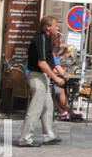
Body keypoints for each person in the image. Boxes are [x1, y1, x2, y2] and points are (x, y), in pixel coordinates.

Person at [18, 16, 64, 147]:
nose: (57, 28)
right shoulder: (41, 38)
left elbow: (49, 60)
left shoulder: (47, 39)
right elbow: (42, 63)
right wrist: (55, 78)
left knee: (47, 106)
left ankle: (48, 136)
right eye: (55, 25)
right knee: (35, 109)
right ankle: (24, 138)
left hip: (43, 76)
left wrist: (57, 69)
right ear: (48, 27)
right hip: (37, 76)